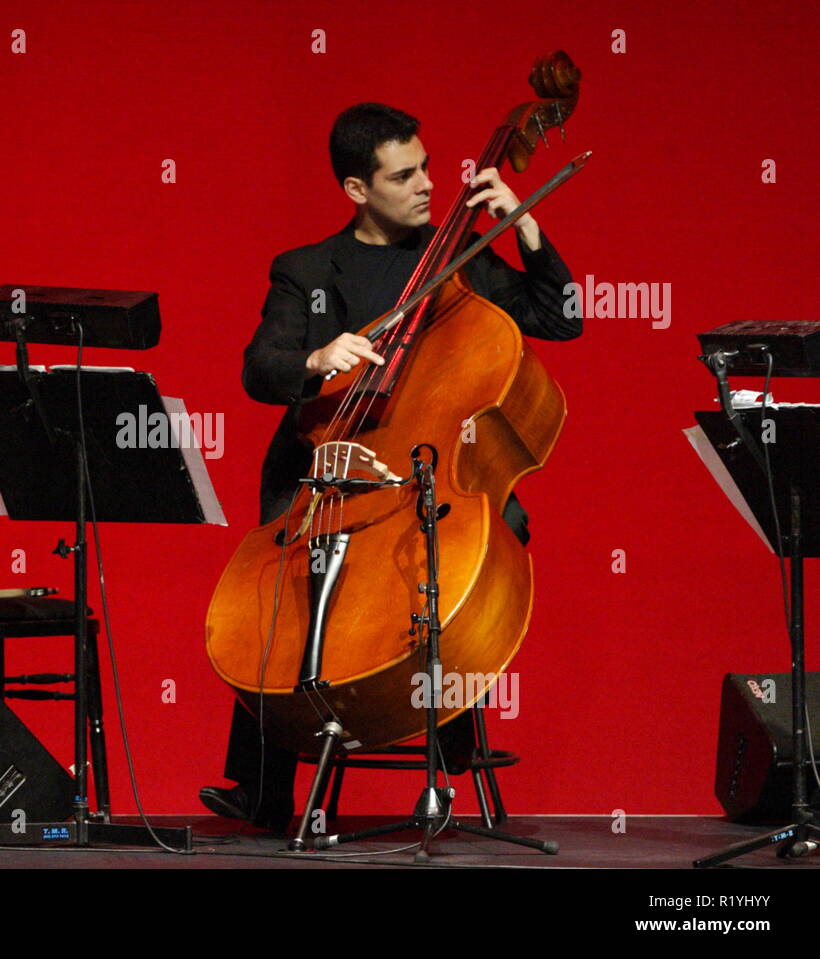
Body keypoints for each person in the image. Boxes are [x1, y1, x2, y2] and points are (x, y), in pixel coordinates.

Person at [199, 102, 582, 832]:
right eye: (403, 175)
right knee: (279, 592)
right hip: (327, 471)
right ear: (355, 188)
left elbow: (561, 316)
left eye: (427, 167)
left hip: (429, 479)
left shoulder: (457, 264)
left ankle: (449, 746)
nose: (428, 185)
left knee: (475, 538)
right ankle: (262, 786)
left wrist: (526, 226)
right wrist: (317, 357)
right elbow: (259, 367)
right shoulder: (307, 270)